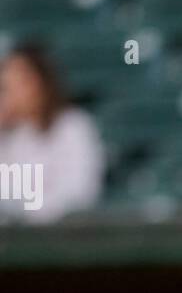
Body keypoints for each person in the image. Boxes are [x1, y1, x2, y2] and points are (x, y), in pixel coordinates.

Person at [0, 43, 104, 223]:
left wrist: (31, 211)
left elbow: (79, 190)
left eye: (19, 84)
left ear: (39, 82)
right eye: (5, 87)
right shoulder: (10, 136)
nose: (12, 94)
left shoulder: (73, 127)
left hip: (63, 237)